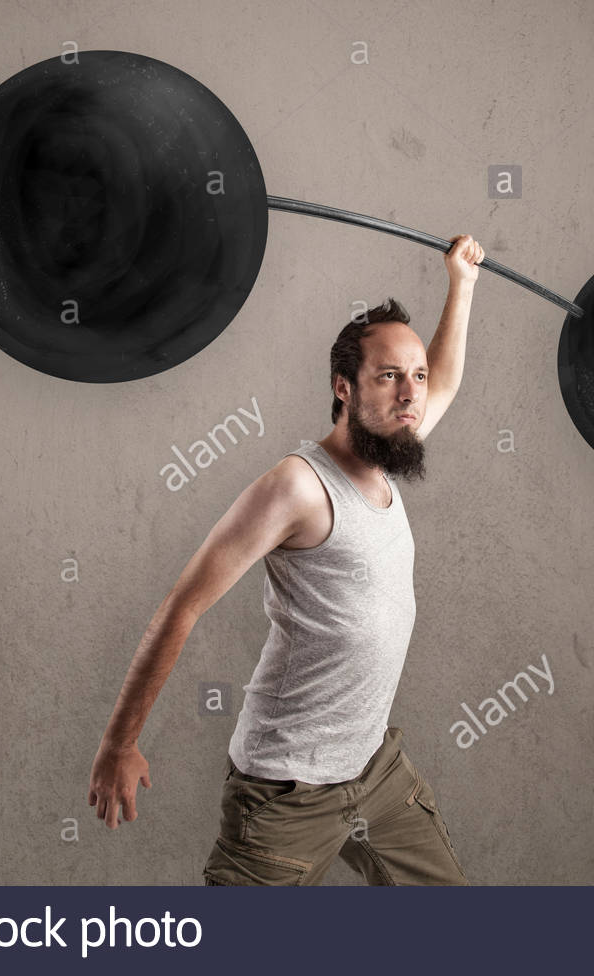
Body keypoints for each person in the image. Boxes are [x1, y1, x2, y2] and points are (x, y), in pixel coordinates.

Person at [88, 234, 486, 884]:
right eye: (389, 377)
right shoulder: (298, 487)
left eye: (413, 378)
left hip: (374, 769)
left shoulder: (389, 445)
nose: (411, 395)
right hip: (288, 787)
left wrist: (461, 283)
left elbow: (444, 380)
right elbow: (182, 605)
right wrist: (118, 744)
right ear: (344, 387)